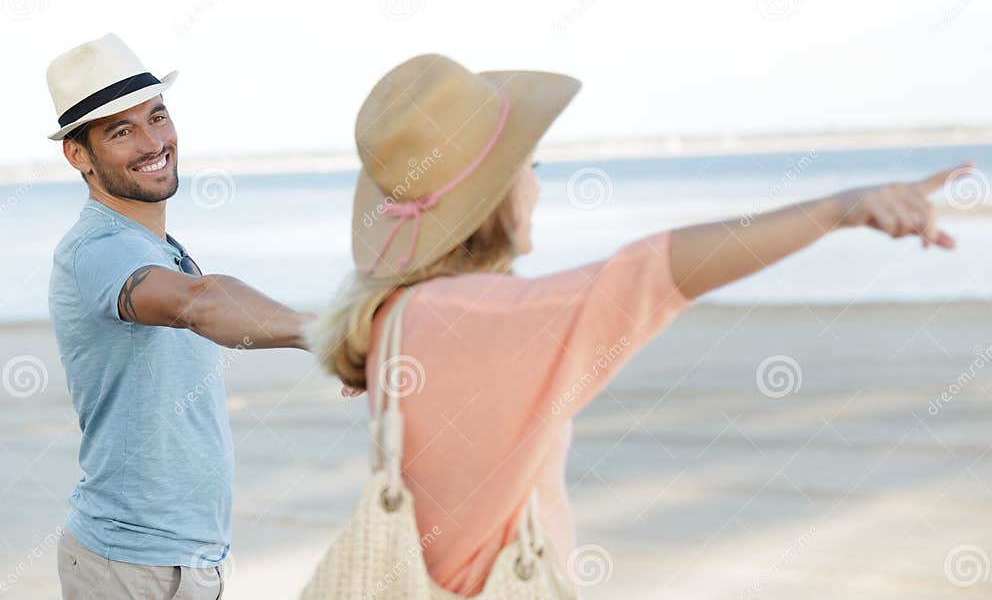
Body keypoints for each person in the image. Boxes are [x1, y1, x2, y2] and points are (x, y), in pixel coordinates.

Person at [309, 53, 974, 596]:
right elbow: (657, 271)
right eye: (530, 168)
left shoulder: (396, 316)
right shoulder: (480, 319)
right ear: (495, 196)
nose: (537, 187)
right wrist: (838, 210)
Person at [46, 33, 316, 599]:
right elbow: (199, 303)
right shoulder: (97, 249)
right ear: (79, 155)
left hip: (182, 560)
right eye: (121, 131)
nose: (153, 142)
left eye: (157, 117)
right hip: (131, 565)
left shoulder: (154, 245)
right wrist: (327, 333)